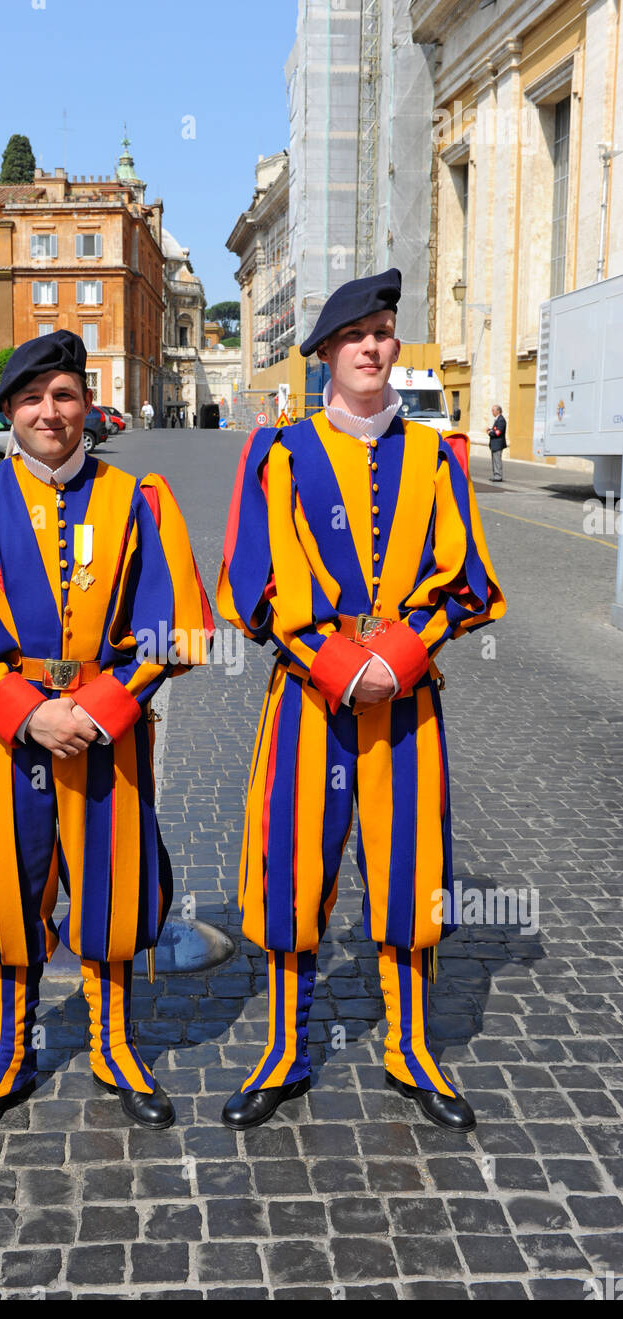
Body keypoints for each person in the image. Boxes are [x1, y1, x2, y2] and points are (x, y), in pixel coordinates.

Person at [0, 330, 213, 1138]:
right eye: (32, 398)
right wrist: (26, 710)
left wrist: (102, 706)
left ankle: (114, 1049)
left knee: (112, 889)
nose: (49, 412)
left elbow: (170, 625)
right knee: (8, 894)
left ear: (85, 408)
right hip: (8, 732)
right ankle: (9, 1055)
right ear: (9, 410)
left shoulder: (138, 500)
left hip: (109, 733)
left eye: (64, 395)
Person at [217, 269, 506, 1132]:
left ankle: (410, 1051)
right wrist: (339, 662)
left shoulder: (437, 455)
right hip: (311, 698)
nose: (373, 348)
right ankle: (283, 1050)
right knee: (291, 867)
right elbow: (251, 586)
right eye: (355, 337)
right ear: (325, 356)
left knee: (410, 872)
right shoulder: (279, 453)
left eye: (383, 332)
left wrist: (405, 651)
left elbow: (471, 586)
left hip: (408, 699)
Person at [487, 404, 507, 481]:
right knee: (494, 460)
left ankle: (498, 476)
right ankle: (496, 475)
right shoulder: (497, 419)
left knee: (497, 460)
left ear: (498, 411)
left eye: (493, 410)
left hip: (498, 444)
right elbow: (495, 430)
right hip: (494, 444)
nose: (492, 412)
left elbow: (497, 432)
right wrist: (490, 430)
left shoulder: (501, 420)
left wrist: (489, 432)